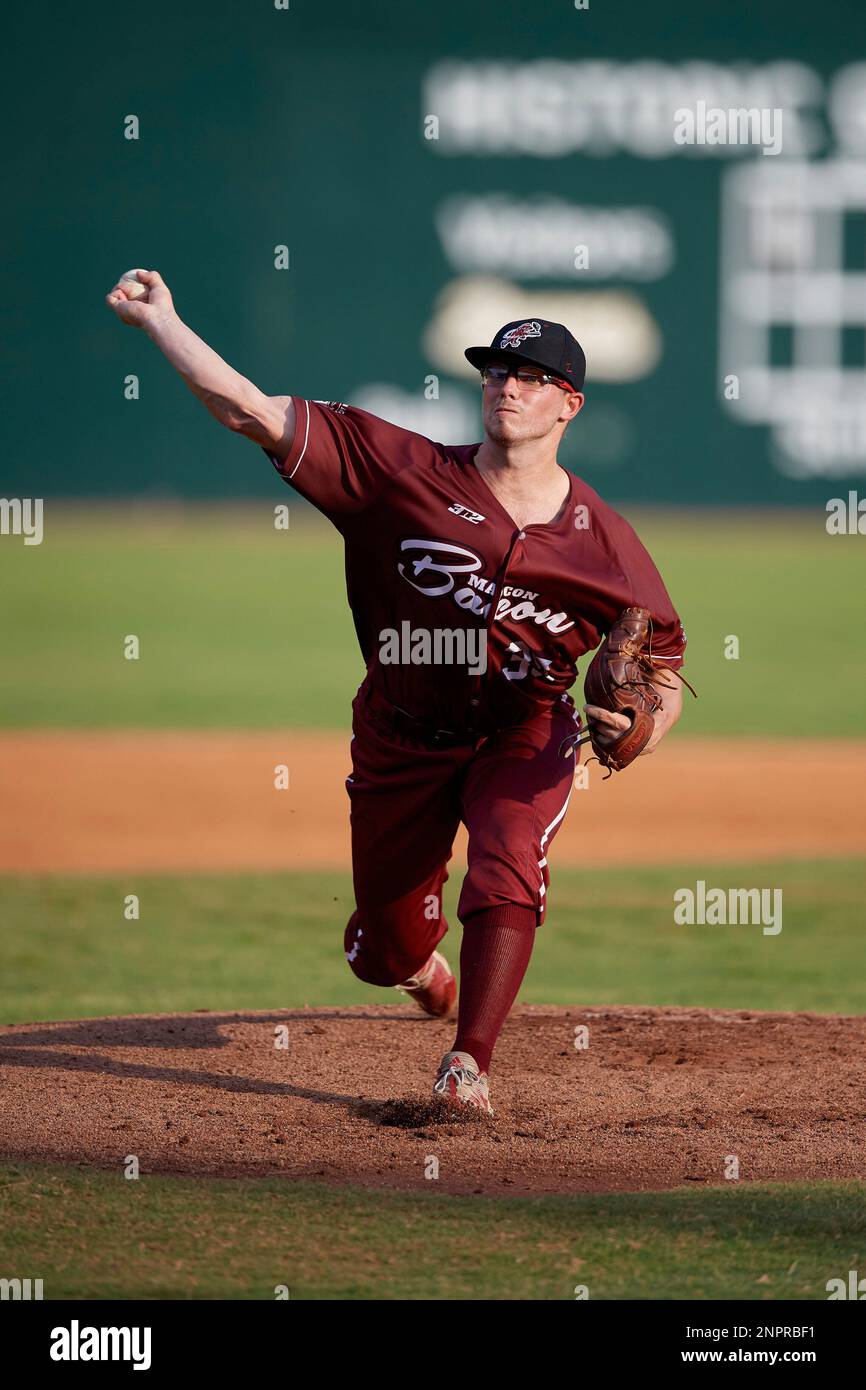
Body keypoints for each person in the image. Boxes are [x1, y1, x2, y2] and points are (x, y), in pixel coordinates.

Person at [106, 275, 687, 1116]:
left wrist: (643, 726)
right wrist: (165, 323)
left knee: (507, 867)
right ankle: (413, 964)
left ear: (570, 404)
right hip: (400, 736)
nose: (506, 386)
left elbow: (661, 668)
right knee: (386, 948)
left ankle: (468, 1066)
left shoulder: (609, 546)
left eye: (528, 377)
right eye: (495, 371)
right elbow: (248, 410)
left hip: (522, 734)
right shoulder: (398, 470)